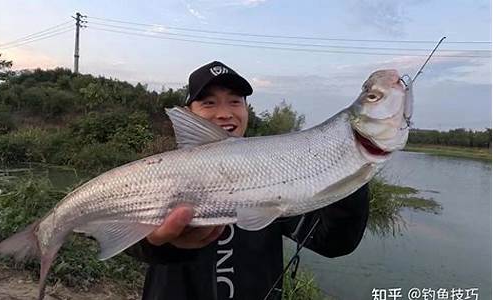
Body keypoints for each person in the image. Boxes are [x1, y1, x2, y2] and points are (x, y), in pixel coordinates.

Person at [126, 61, 370, 300]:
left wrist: (346, 169)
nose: (224, 113)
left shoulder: (275, 172)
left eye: (235, 101)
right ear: (188, 114)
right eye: (208, 103)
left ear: (246, 109)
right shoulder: (160, 173)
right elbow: (126, 239)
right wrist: (162, 244)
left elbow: (334, 243)